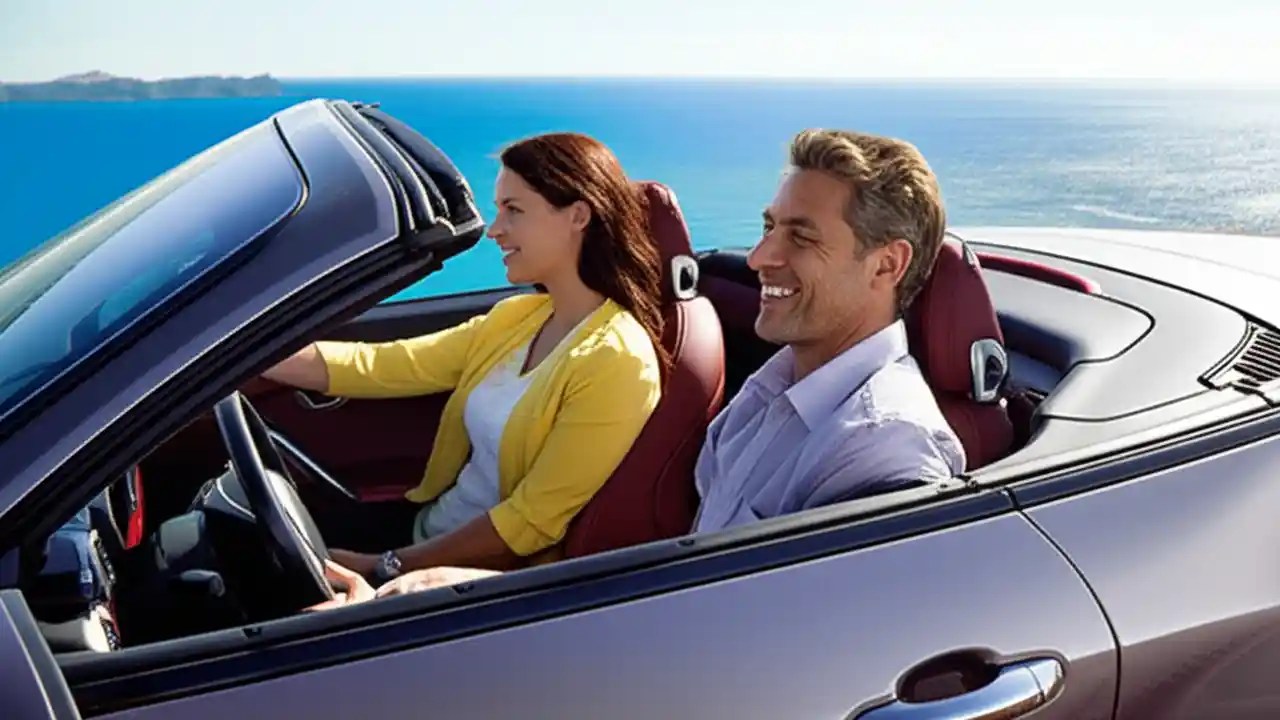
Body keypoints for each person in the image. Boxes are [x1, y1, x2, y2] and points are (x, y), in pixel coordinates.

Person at [316, 127, 965, 604]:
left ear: (887, 265)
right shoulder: (772, 388)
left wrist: (434, 587)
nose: (760, 256)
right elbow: (688, 566)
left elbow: (789, 644)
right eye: (769, 226)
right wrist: (455, 585)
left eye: (801, 236)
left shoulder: (882, 446)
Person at [266, 132, 666, 584]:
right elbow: (389, 364)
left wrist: (385, 566)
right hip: (422, 531)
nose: (495, 229)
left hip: (466, 576)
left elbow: (529, 522)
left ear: (578, 216)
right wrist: (255, 354)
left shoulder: (616, 361)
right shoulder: (520, 318)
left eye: (514, 210)